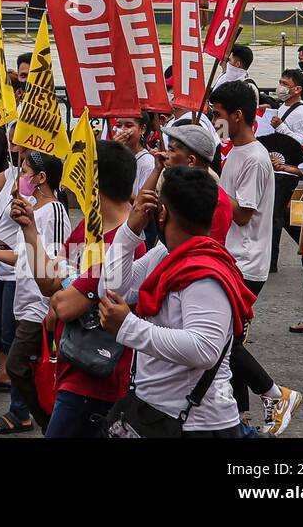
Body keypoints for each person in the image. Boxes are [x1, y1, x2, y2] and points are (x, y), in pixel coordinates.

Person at [97, 166, 257, 437]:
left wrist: (128, 327)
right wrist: (129, 231)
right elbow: (111, 289)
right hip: (156, 412)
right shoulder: (164, 256)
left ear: (162, 212)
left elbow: (204, 349)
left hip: (197, 426)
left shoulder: (205, 274)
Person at [33, 142, 145, 438]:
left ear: (92, 182)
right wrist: (28, 231)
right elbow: (47, 282)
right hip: (73, 368)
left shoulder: (124, 246)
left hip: (96, 378)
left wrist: (63, 288)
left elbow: (65, 306)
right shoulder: (88, 226)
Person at [210, 78, 302, 435]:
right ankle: (240, 413)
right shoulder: (238, 151)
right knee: (225, 340)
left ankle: (275, 395)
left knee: (223, 341)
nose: (214, 120)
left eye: (218, 115)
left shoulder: (255, 158)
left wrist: (209, 182)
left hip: (245, 262)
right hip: (233, 258)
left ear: (237, 116)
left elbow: (244, 213)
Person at [0, 150, 72, 433]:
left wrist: (53, 302)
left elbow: (60, 263)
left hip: (40, 305)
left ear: (41, 178)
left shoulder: (56, 212)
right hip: (23, 299)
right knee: (24, 364)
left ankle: (47, 421)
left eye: (25, 172)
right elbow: (24, 256)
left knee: (17, 366)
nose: (21, 177)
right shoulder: (31, 210)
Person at [268, 68, 303, 145]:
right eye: (280, 83)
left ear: (297, 89)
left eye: (285, 84)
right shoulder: (284, 105)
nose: (280, 87)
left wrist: (280, 127)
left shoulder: (302, 114)